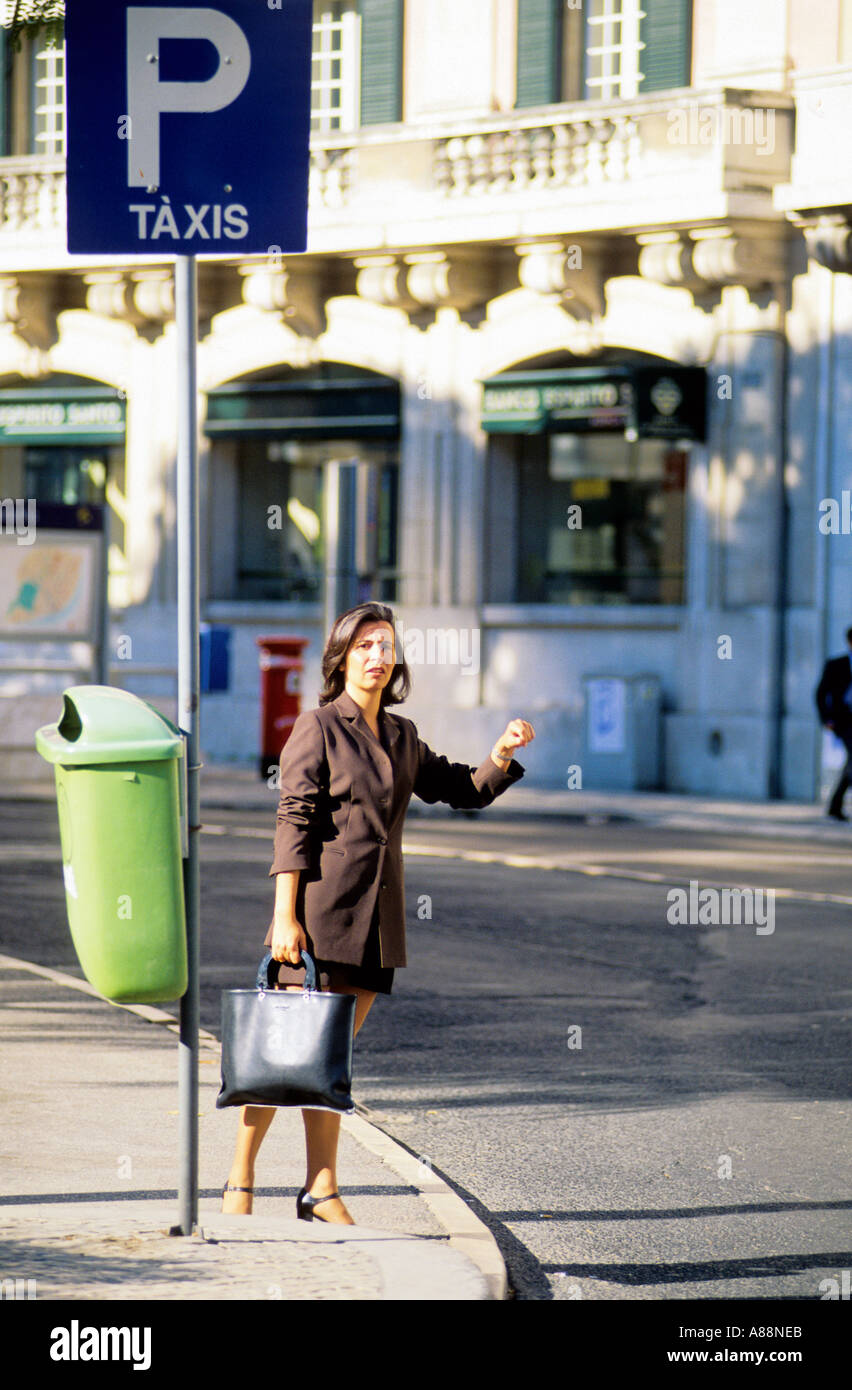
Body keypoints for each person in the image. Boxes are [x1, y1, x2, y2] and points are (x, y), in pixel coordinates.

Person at [222, 601, 535, 1223]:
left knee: (325, 1062)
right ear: (343, 659)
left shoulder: (402, 735)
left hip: (375, 922)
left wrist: (499, 755)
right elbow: (294, 824)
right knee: (279, 1052)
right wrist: (285, 915)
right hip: (319, 913)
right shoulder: (318, 727)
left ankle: (321, 1189)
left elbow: (461, 789)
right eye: (365, 645)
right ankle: (239, 1182)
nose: (377, 655)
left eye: (385, 645)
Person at [816, 627, 852, 820]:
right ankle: (835, 805)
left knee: (850, 764)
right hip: (844, 720)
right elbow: (821, 693)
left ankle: (835, 805)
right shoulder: (836, 665)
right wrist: (826, 718)